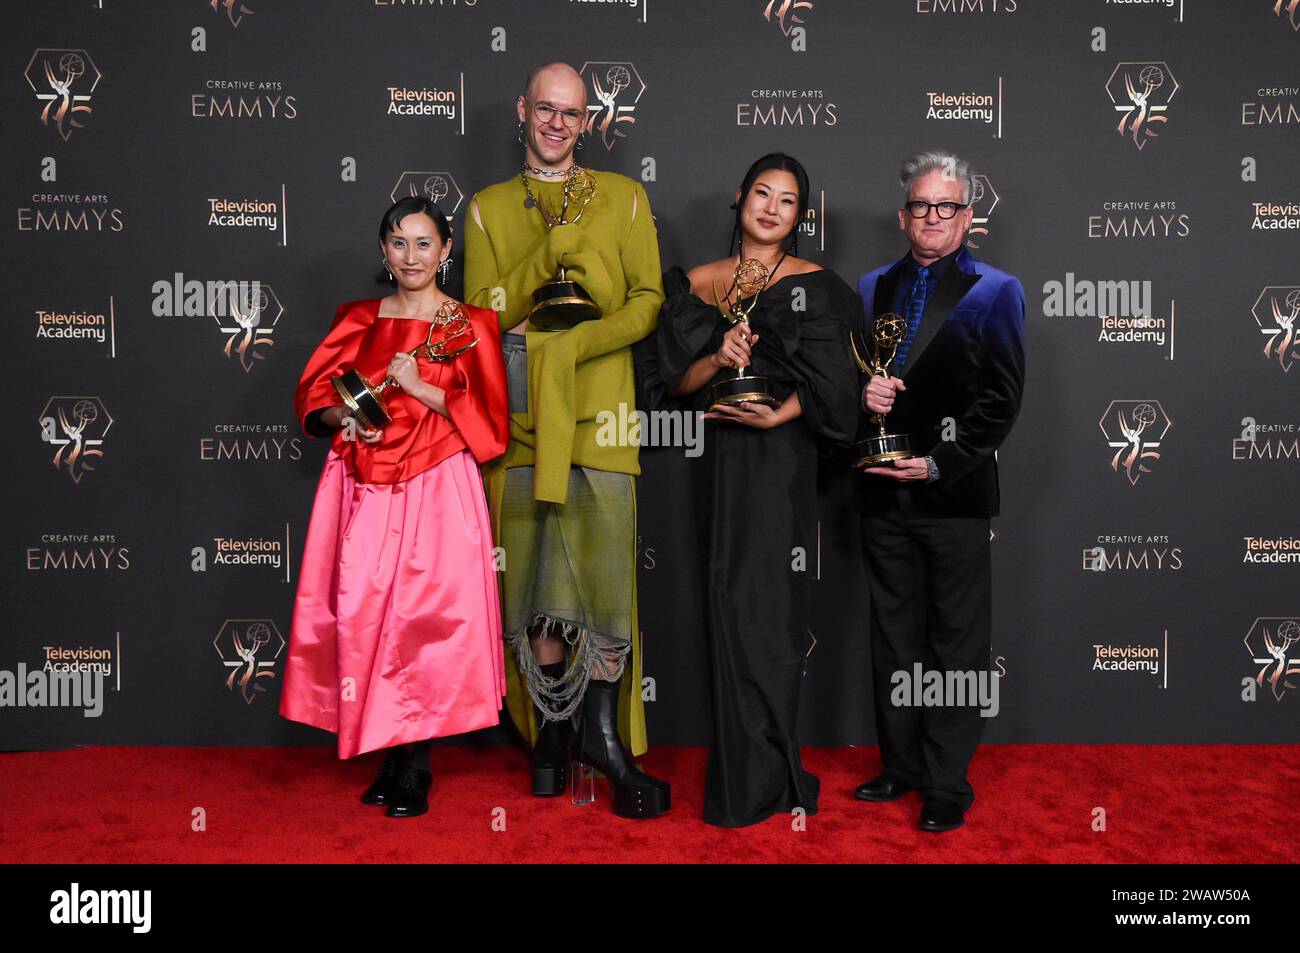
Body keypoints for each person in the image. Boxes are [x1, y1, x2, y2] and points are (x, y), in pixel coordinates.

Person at [463, 61, 669, 818]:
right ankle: (551, 737)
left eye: (572, 113)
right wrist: (544, 257)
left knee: (608, 585)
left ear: (589, 121)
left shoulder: (625, 197)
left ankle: (605, 740)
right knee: (539, 587)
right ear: (523, 109)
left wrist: (580, 345)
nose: (557, 123)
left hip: (604, 412)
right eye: (545, 109)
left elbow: (647, 299)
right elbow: (481, 314)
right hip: (520, 421)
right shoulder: (485, 208)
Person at [638, 153, 860, 827]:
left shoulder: (820, 288)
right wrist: (718, 357)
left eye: (787, 200)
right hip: (713, 465)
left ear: (800, 216)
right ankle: (741, 774)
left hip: (780, 465)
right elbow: (667, 384)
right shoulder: (695, 283)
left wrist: (782, 412)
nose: (771, 207)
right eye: (762, 193)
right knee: (725, 608)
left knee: (768, 610)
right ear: (738, 198)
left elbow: (843, 388)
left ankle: (772, 770)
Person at [280, 196, 509, 819]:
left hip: (438, 483)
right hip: (365, 482)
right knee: (368, 613)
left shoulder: (470, 325)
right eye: (398, 242)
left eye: (424, 243)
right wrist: (344, 418)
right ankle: (388, 752)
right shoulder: (357, 318)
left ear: (446, 250)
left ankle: (418, 764)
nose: (411, 256)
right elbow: (317, 400)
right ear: (383, 250)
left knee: (425, 621)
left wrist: (419, 386)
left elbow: (490, 426)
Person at [855, 150, 1026, 832]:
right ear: (903, 215)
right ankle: (900, 764)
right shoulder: (870, 287)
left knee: (956, 643)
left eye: (947, 206)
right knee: (894, 638)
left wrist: (936, 463)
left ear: (967, 216)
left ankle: (948, 781)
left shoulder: (996, 289)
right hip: (880, 494)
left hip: (953, 495)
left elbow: (1001, 402)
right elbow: (858, 378)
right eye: (921, 206)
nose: (933, 217)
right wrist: (860, 394)